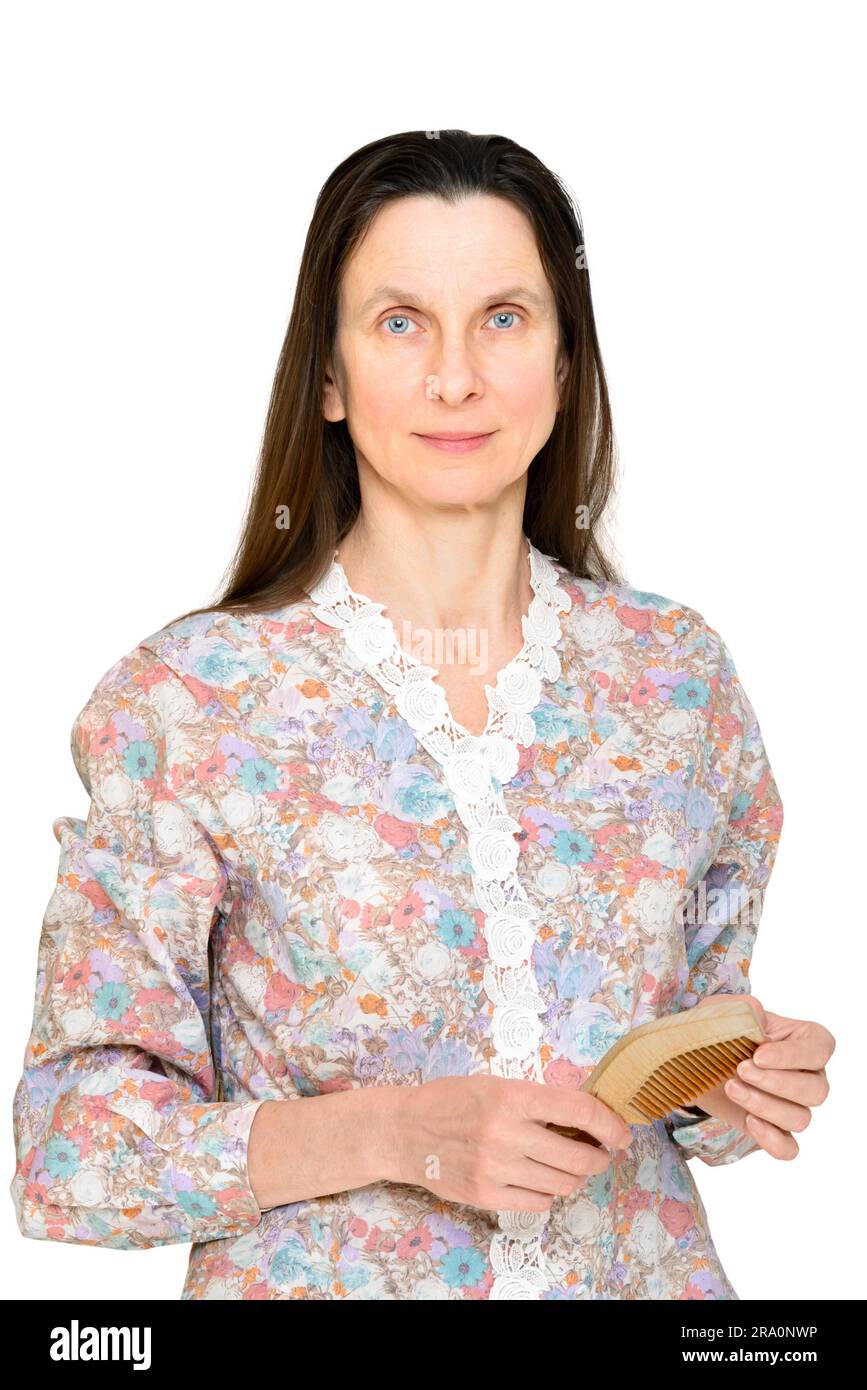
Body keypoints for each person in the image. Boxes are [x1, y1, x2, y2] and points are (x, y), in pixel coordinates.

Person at [9, 129, 833, 1301]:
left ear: (565, 359)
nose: (458, 377)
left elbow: (688, 1058)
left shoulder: (678, 682)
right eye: (402, 322)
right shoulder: (187, 705)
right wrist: (399, 1135)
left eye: (505, 318)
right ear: (331, 377)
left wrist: (730, 1079)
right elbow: (66, 1151)